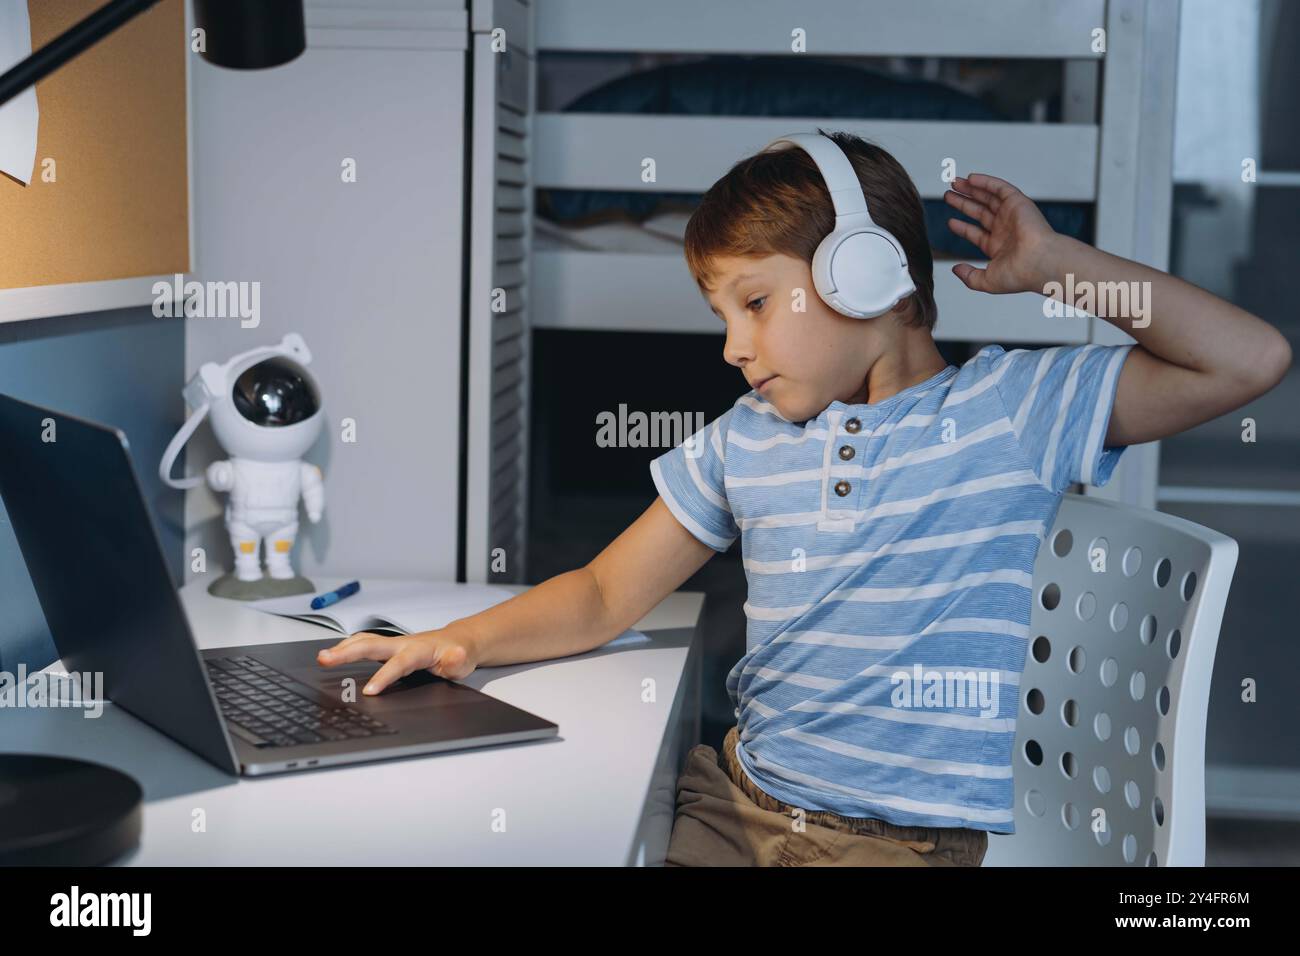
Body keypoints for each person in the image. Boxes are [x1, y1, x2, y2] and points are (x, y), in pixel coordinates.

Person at [316, 130, 1291, 866]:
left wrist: (1053, 268)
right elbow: (606, 592)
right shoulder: (747, 441)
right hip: (729, 804)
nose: (731, 345)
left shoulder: (1012, 407)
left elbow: (1249, 357)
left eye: (751, 302)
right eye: (720, 314)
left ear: (865, 277)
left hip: (893, 848)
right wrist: (461, 642)